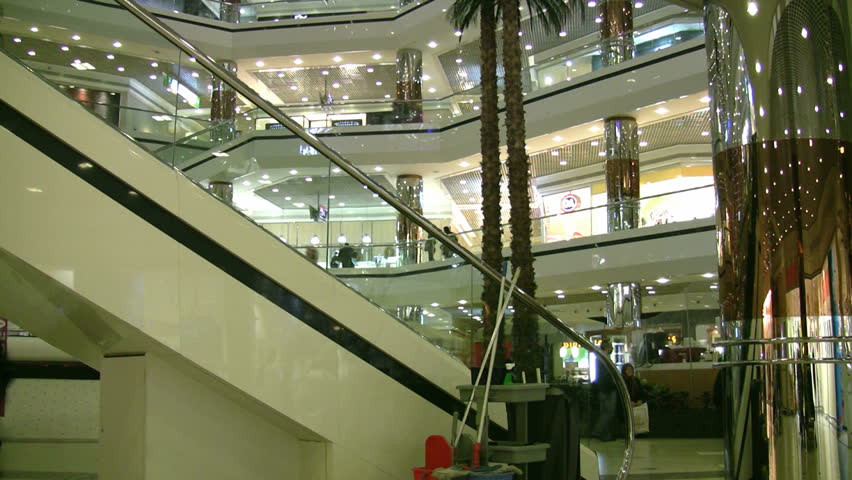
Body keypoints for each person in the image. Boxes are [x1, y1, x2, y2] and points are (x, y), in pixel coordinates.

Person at [592, 340, 618, 441]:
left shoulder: (599, 358)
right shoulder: (604, 359)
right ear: (607, 347)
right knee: (609, 412)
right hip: (607, 388)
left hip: (602, 388)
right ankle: (597, 430)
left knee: (604, 412)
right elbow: (607, 374)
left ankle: (605, 434)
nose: (612, 348)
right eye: (611, 346)